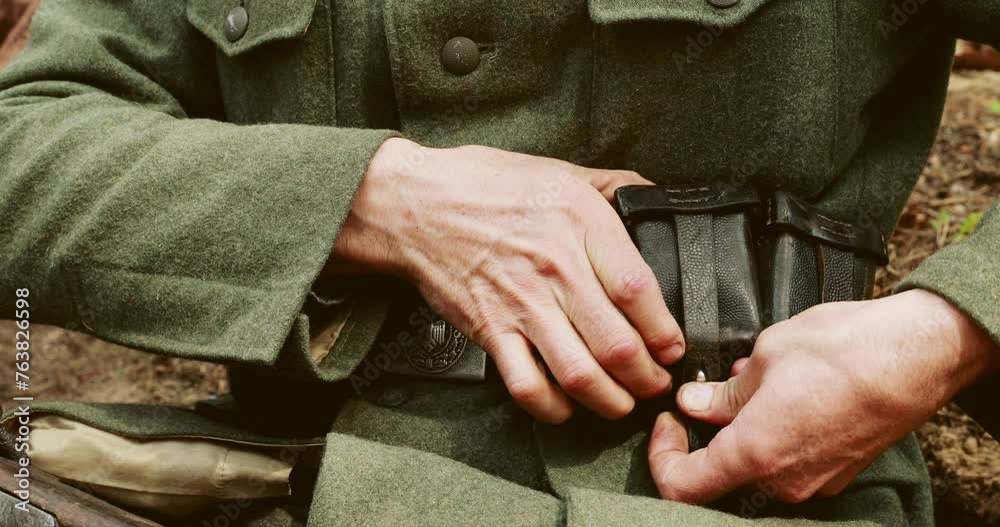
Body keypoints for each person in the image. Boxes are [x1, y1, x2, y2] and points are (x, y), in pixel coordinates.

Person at [0, 0, 996, 525]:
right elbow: (22, 140)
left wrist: (941, 332)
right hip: (273, 485)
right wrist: (380, 197)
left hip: (721, 491)